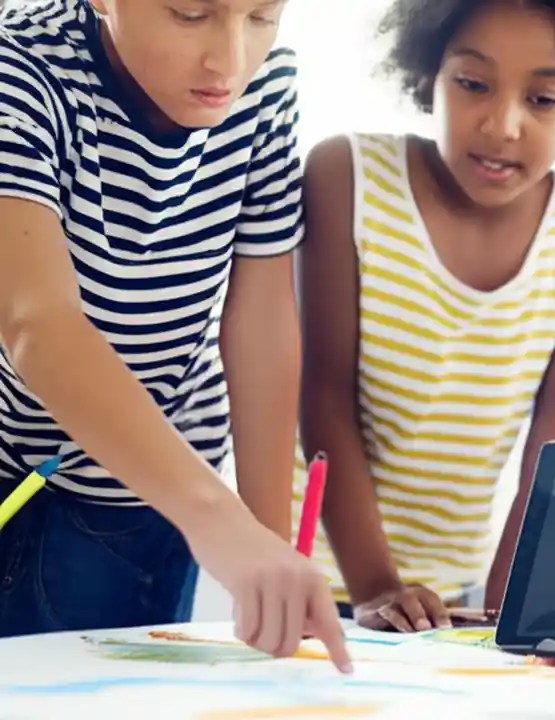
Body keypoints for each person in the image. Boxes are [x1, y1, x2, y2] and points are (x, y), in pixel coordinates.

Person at [294, 0, 555, 632]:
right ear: (428, 73)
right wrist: (376, 588)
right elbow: (322, 395)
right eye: (473, 84)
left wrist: (508, 611)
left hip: (455, 600)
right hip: (316, 583)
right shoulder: (347, 175)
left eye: (544, 99)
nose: (503, 125)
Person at [0, 0, 349, 668]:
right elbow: (37, 324)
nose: (230, 61)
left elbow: (260, 321)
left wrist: (269, 546)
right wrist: (221, 523)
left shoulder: (266, 82)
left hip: (179, 494)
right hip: (35, 492)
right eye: (190, 14)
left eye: (263, 15)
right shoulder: (22, 69)